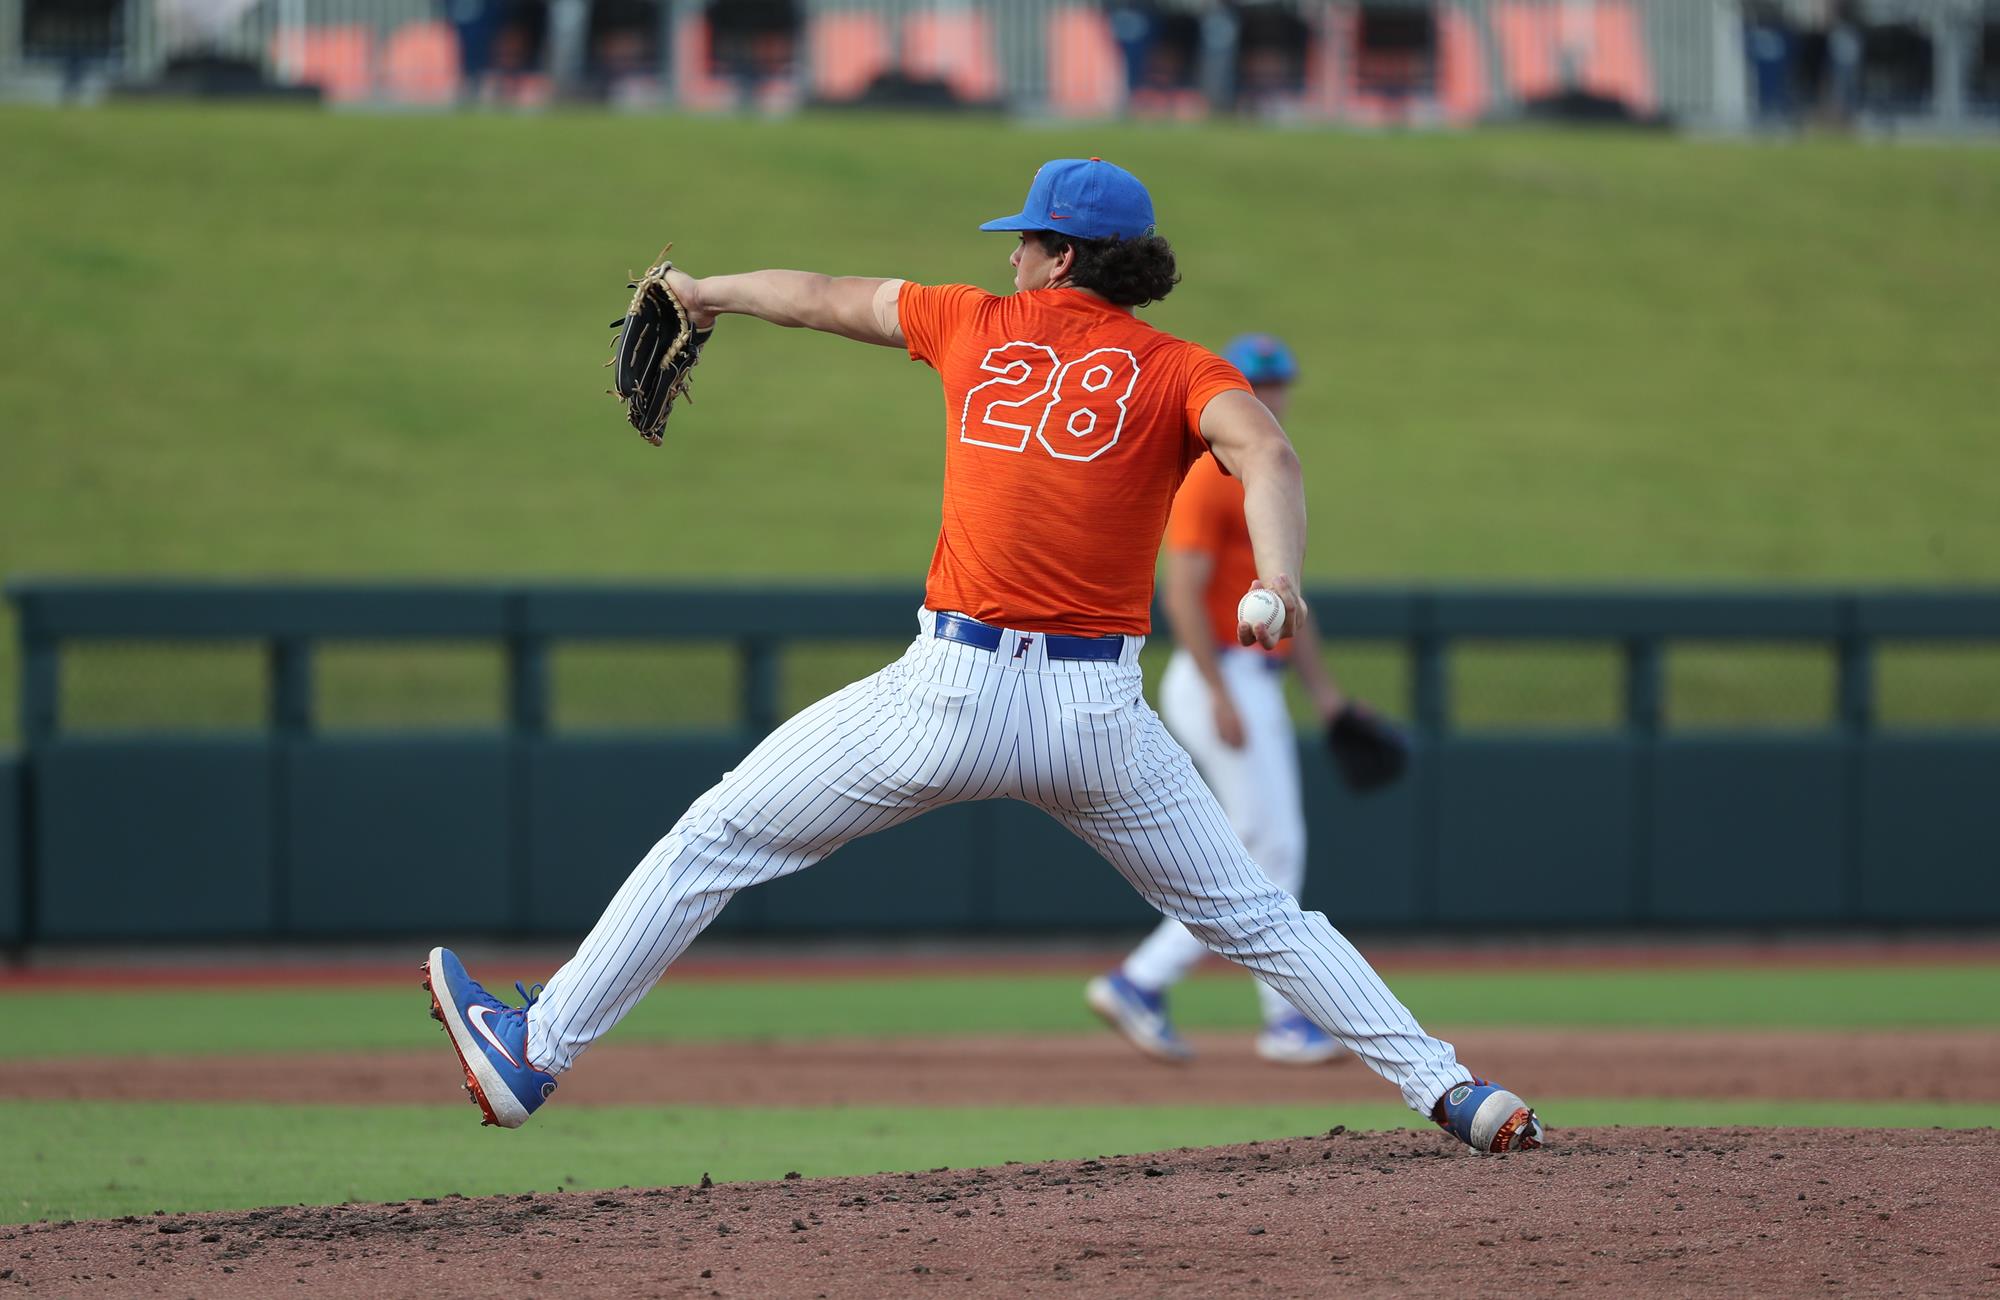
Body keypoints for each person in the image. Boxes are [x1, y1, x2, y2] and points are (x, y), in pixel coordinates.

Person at [422, 157, 1543, 1155]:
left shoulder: (970, 322)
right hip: (1096, 721)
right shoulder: (1176, 368)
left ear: (1065, 255)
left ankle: (537, 1048)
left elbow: (821, 297)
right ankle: (1456, 1091)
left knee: (716, 837)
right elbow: (1270, 454)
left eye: (1026, 239)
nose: (1011, 256)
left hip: (946, 696)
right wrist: (1279, 581)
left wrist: (706, 290)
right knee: (1258, 918)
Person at [1085, 333, 1352, 1068]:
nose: (1270, 396)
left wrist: (1328, 698)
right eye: (1256, 385)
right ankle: (1277, 1015)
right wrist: (1217, 691)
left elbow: (1293, 604)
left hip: (1250, 678)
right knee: (1270, 844)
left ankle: (1145, 982)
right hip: (1222, 677)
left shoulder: (1269, 472)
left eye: (1278, 383)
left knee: (1257, 845)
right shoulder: (1212, 475)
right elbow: (1180, 593)